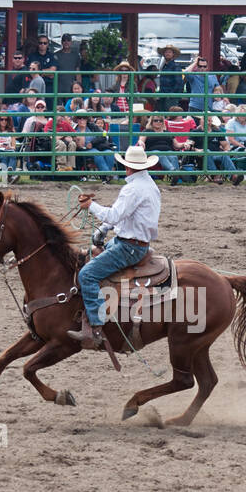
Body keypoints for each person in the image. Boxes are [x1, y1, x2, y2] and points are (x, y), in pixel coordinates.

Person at [66, 145, 162, 350]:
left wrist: (91, 206)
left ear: (127, 167)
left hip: (128, 247)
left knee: (87, 274)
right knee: (91, 254)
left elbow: (115, 215)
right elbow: (125, 215)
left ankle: (95, 326)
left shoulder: (133, 188)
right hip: (134, 242)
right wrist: (103, 228)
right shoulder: (149, 185)